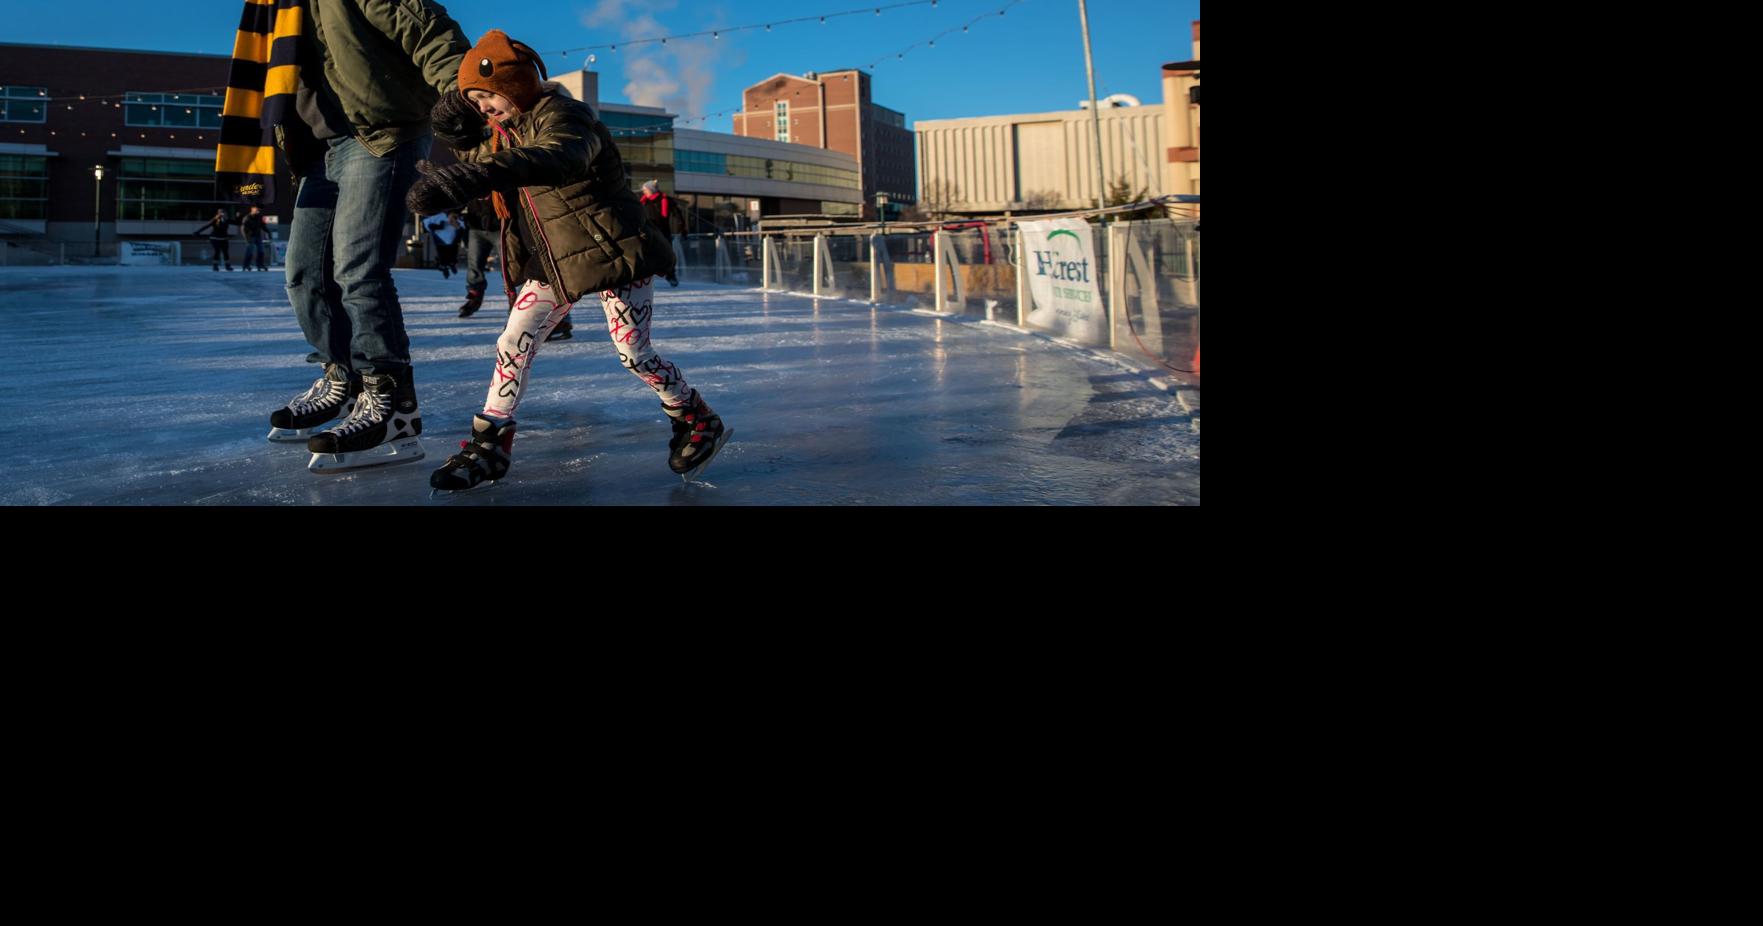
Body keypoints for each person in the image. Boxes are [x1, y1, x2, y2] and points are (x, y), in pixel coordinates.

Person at [408, 29, 732, 492]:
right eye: (473, 101)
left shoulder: (568, 115)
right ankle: (490, 442)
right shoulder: (507, 133)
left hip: (614, 251)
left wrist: (478, 173)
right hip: (554, 261)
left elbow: (558, 155)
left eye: (486, 95)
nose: (481, 107)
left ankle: (695, 416)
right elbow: (488, 156)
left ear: (514, 84)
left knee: (633, 353)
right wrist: (457, 141)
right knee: (512, 342)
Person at [245, 0, 472, 473]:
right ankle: (341, 377)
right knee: (304, 273)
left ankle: (392, 404)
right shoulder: (271, 8)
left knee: (358, 267)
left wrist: (461, 97)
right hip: (317, 148)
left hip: (379, 134)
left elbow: (427, 29)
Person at [456, 196, 498, 316]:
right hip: (476, 226)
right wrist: (453, 212)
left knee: (510, 268)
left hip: (501, 225)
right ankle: (474, 299)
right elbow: (461, 193)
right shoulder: (469, 177)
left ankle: (514, 303)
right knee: (474, 267)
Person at [639, 179, 684, 287]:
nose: (644, 192)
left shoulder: (665, 200)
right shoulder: (643, 202)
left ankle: (671, 276)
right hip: (648, 232)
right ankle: (644, 277)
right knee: (646, 254)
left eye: (645, 190)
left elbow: (677, 214)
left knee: (667, 254)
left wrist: (681, 228)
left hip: (663, 232)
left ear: (651, 190)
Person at [422, 211, 462, 278]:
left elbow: (460, 224)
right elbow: (428, 225)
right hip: (441, 239)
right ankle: (445, 267)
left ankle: (451, 264)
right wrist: (438, 226)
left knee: (452, 252)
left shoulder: (451, 214)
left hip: (451, 237)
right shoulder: (435, 216)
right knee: (443, 254)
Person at [240, 206, 270, 271]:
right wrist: (247, 238)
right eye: (256, 211)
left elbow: (262, 225)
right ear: (252, 210)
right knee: (250, 251)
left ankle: (260, 265)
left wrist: (268, 232)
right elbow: (243, 229)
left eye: (258, 211)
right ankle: (246, 265)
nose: (258, 212)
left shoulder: (259, 217)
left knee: (261, 251)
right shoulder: (247, 218)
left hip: (258, 236)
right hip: (250, 237)